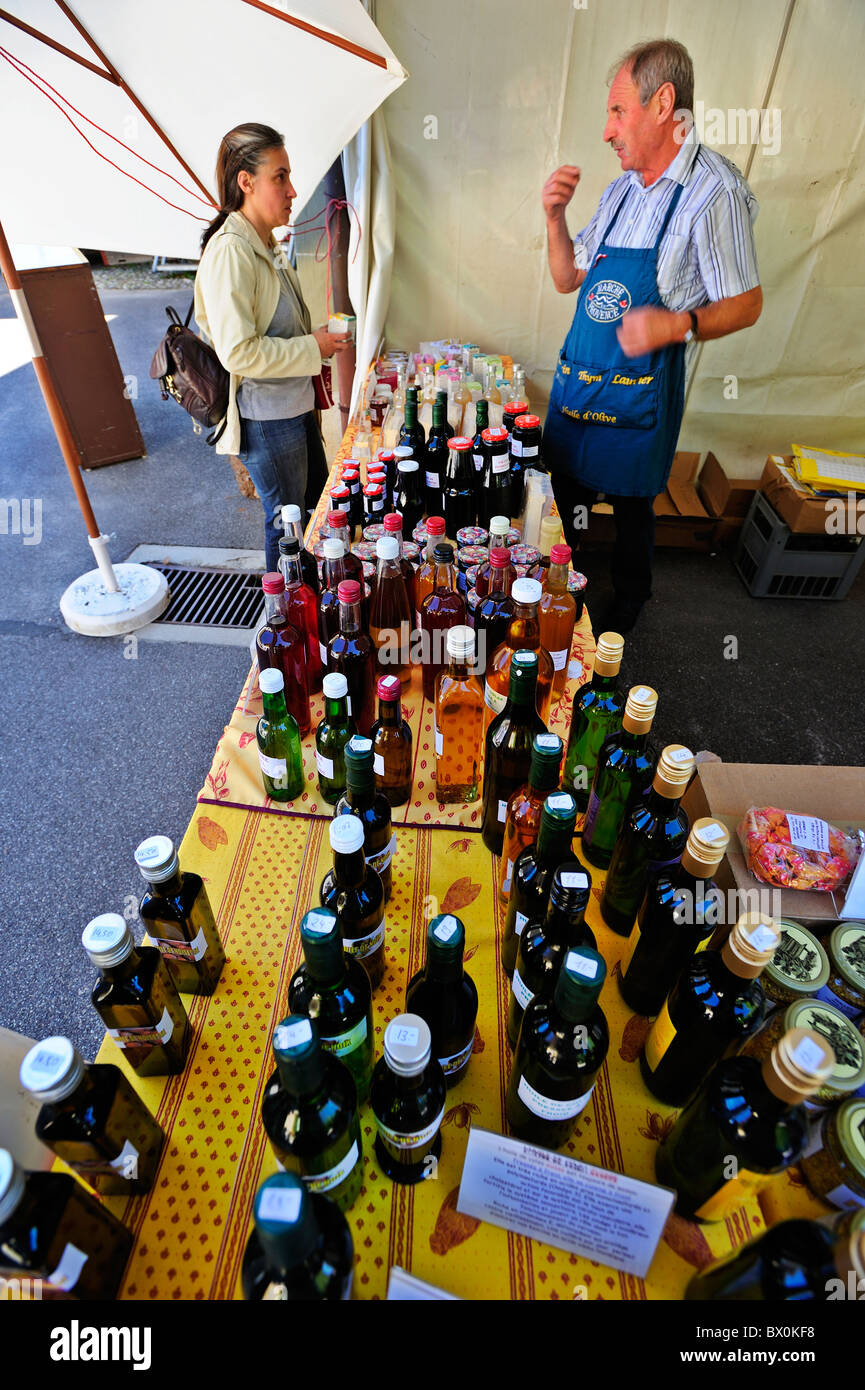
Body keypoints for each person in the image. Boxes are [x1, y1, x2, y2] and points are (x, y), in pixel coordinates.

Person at [542, 40, 762, 633]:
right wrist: (554, 218)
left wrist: (680, 323)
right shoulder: (620, 189)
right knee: (565, 502)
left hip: (639, 388)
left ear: (663, 104)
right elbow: (568, 279)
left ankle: (630, 603)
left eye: (618, 111)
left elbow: (746, 302)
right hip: (581, 381)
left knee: (635, 504)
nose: (607, 129)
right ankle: (562, 597)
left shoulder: (714, 191)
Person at [194, 123, 352, 573]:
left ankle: (318, 605)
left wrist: (314, 338)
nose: (291, 189)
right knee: (288, 527)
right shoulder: (231, 250)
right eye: (279, 177)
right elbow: (238, 352)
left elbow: (277, 329)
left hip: (294, 407)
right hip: (267, 417)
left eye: (289, 176)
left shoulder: (265, 243)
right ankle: (284, 625)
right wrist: (312, 345)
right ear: (246, 182)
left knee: (316, 514)